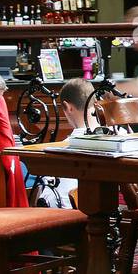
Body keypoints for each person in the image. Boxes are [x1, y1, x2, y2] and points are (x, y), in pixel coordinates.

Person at [35, 78, 95, 209]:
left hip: (75, 218)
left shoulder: (64, 149)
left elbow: (53, 202)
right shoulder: (122, 133)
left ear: (68, 107)